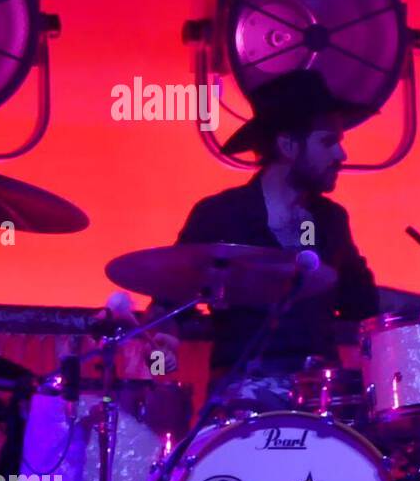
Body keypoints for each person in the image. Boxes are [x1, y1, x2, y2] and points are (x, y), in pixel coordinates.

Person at [159, 71, 380, 409]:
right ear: (288, 145)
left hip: (320, 398)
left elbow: (364, 305)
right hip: (240, 398)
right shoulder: (220, 214)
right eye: (327, 142)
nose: (341, 154)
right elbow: (169, 303)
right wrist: (164, 342)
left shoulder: (332, 220)